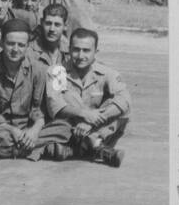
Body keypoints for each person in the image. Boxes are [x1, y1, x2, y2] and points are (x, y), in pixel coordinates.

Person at [0, 19, 72, 161]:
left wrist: (34, 131)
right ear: (2, 42)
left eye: (21, 45)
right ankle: (36, 148)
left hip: (27, 128)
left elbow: (39, 109)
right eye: (10, 44)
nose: (15, 49)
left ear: (28, 46)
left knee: (64, 127)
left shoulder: (38, 69)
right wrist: (11, 129)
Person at [46, 28, 131, 166]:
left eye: (86, 50)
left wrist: (90, 122)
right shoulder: (58, 71)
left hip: (93, 127)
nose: (80, 55)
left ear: (95, 52)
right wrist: (85, 114)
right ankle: (96, 147)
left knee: (122, 108)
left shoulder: (106, 72)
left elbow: (124, 99)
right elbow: (54, 106)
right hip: (68, 128)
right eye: (76, 49)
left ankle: (81, 148)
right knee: (69, 98)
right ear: (69, 49)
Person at [28, 3, 70, 74]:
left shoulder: (69, 52)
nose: (52, 29)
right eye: (48, 23)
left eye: (57, 25)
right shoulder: (29, 51)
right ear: (41, 22)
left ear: (65, 26)